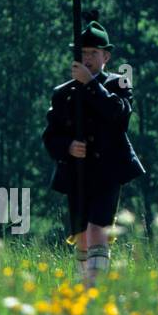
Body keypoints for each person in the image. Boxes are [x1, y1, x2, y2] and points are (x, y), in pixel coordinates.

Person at [41, 18, 145, 287]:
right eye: (83, 53)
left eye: (93, 53)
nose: (87, 58)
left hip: (108, 170)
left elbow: (119, 116)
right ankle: (84, 286)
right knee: (81, 235)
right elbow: (51, 135)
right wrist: (67, 147)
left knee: (98, 229)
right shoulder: (62, 93)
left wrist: (90, 85)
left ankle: (96, 288)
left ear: (106, 56)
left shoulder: (117, 84)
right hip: (77, 172)